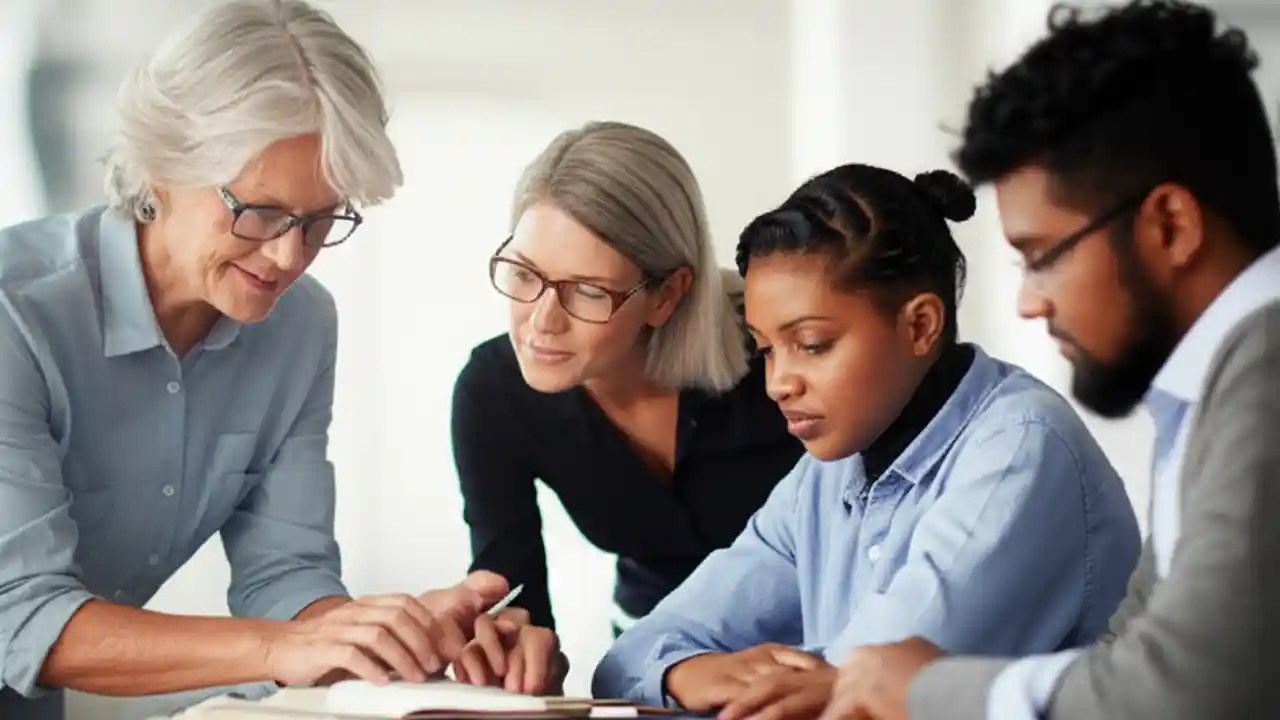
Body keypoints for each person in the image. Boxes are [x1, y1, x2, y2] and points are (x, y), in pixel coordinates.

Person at [0, 3, 557, 719]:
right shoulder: (17, 313)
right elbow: (21, 615)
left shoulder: (299, 326)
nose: (289, 256)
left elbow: (284, 575)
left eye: (322, 218)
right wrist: (277, 648)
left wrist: (389, 638)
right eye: (259, 211)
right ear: (162, 164)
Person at [817, 3, 1280, 720]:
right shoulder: (1212, 385)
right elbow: (1134, 648)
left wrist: (927, 689)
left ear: (1171, 225)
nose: (1031, 302)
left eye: (1044, 258)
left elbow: (1187, 690)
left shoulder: (1268, 375)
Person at [590, 163, 1140, 719]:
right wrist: (686, 671)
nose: (778, 383)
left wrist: (759, 679)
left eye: (812, 343)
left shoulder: (1018, 453)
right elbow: (627, 659)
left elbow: (862, 695)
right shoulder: (826, 472)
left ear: (921, 325)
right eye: (766, 349)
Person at [450, 121, 805, 651]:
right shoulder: (494, 391)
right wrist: (513, 648)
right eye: (524, 275)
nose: (541, 322)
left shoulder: (780, 358)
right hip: (648, 657)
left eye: (588, 291)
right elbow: (513, 593)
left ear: (666, 295)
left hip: (811, 652)